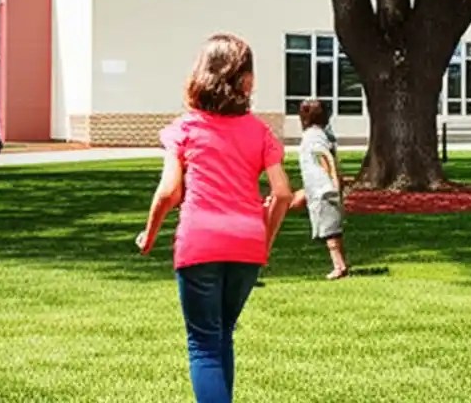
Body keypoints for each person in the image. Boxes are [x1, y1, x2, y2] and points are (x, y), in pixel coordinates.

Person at [135, 33, 295, 403]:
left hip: (200, 243)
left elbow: (169, 191)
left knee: (204, 344)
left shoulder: (186, 129)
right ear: (246, 80)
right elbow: (283, 193)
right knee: (222, 333)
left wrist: (150, 234)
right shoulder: (260, 131)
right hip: (247, 245)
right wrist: (265, 241)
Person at [296, 99, 349, 279]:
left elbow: (324, 157)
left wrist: (333, 180)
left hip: (323, 189)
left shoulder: (313, 136)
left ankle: (339, 266)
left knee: (330, 231)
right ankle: (342, 264)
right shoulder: (323, 134)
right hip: (318, 188)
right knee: (333, 228)